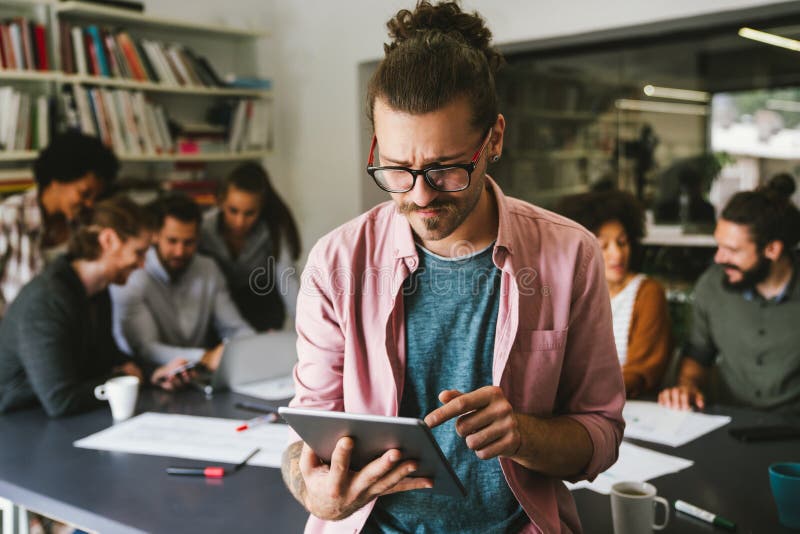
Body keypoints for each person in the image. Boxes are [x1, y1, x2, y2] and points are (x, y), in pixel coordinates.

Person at [280, 3, 625, 533]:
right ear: (376, 146)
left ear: (495, 140)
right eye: (396, 168)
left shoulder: (570, 254)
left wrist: (525, 435)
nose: (419, 195)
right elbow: (306, 435)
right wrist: (318, 497)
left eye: (445, 169)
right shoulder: (335, 261)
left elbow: (600, 434)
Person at [0, 196, 189, 417]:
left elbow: (105, 356)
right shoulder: (47, 300)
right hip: (16, 426)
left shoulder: (96, 291)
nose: (142, 265)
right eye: (138, 253)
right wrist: (123, 380)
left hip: (49, 421)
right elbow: (61, 399)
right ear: (108, 240)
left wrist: (153, 373)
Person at [659, 174, 800, 413]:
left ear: (772, 249)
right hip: (730, 424)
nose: (718, 258)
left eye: (732, 250)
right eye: (719, 245)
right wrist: (688, 386)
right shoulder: (711, 286)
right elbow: (698, 355)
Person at [111, 192, 253, 372]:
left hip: (199, 376)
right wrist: (204, 357)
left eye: (189, 242)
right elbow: (146, 348)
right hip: (152, 377)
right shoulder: (135, 272)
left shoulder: (208, 269)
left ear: (198, 239)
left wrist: (255, 345)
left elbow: (234, 328)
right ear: (156, 236)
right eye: (172, 241)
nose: (180, 251)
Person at [557, 190, 673, 398]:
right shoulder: (566, 295)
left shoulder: (646, 294)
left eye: (622, 242)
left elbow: (640, 373)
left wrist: (581, 393)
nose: (617, 254)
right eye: (604, 246)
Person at [0, 131, 118, 318]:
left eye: (95, 197)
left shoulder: (84, 223)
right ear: (57, 179)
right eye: (85, 193)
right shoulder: (9, 216)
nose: (90, 204)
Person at [199, 162, 301, 331]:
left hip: (261, 302)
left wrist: (308, 328)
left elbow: (287, 281)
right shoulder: (205, 228)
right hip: (218, 302)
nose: (240, 222)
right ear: (221, 202)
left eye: (249, 213)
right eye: (233, 210)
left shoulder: (273, 230)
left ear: (261, 209)